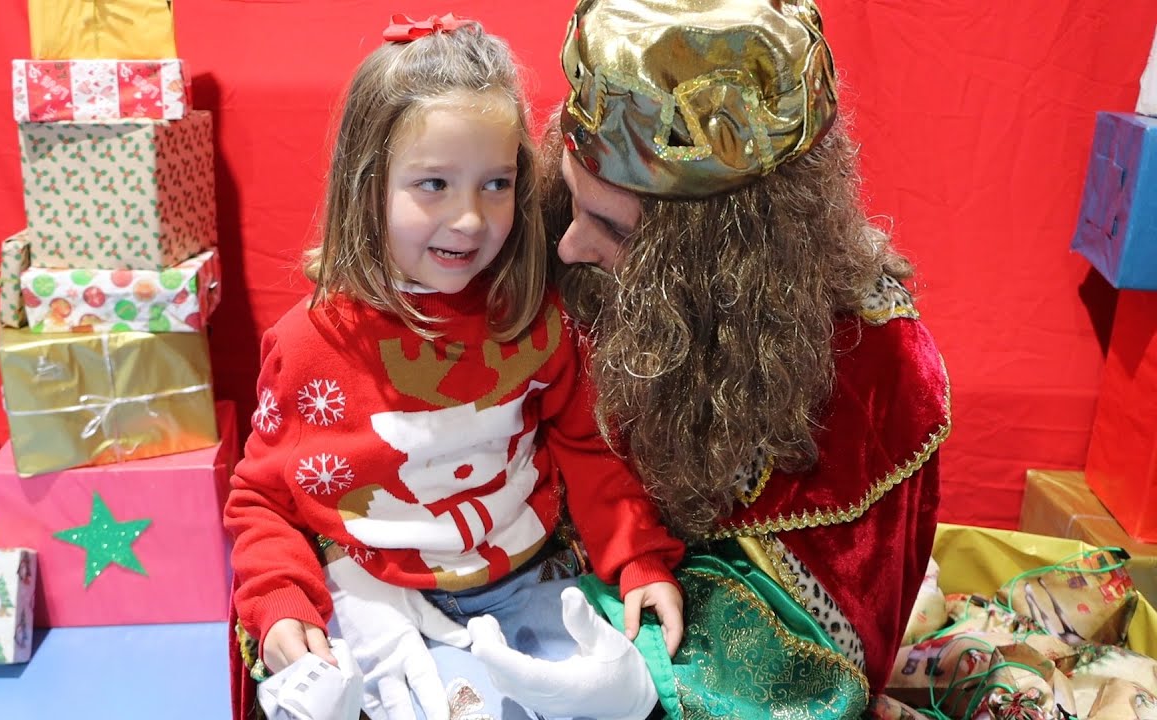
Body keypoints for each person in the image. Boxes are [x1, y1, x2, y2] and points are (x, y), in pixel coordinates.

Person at [469, 0, 950, 717]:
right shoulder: (553, 245)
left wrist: (621, 665)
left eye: (607, 226)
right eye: (574, 199)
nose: (567, 246)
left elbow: (810, 665)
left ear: (716, 260)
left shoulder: (870, 373)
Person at [223, 14, 686, 720]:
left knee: (618, 694)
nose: (470, 219)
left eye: (497, 184)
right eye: (433, 184)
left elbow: (588, 447)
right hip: (375, 595)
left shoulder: (536, 317)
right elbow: (262, 498)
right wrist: (281, 601)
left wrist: (638, 560)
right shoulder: (310, 344)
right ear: (365, 185)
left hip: (526, 582)